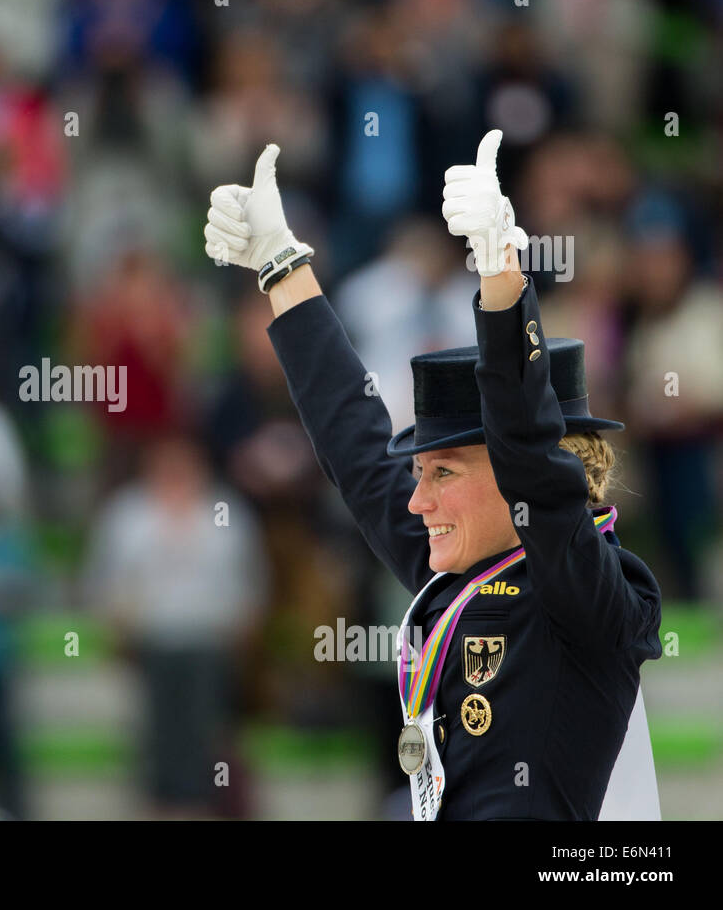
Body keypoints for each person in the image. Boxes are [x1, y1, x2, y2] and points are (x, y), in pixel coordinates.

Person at [203, 131, 662, 820]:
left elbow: (533, 458)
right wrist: (280, 265)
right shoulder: (464, 564)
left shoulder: (588, 595)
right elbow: (356, 450)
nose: (418, 500)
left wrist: (501, 272)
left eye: (442, 471)